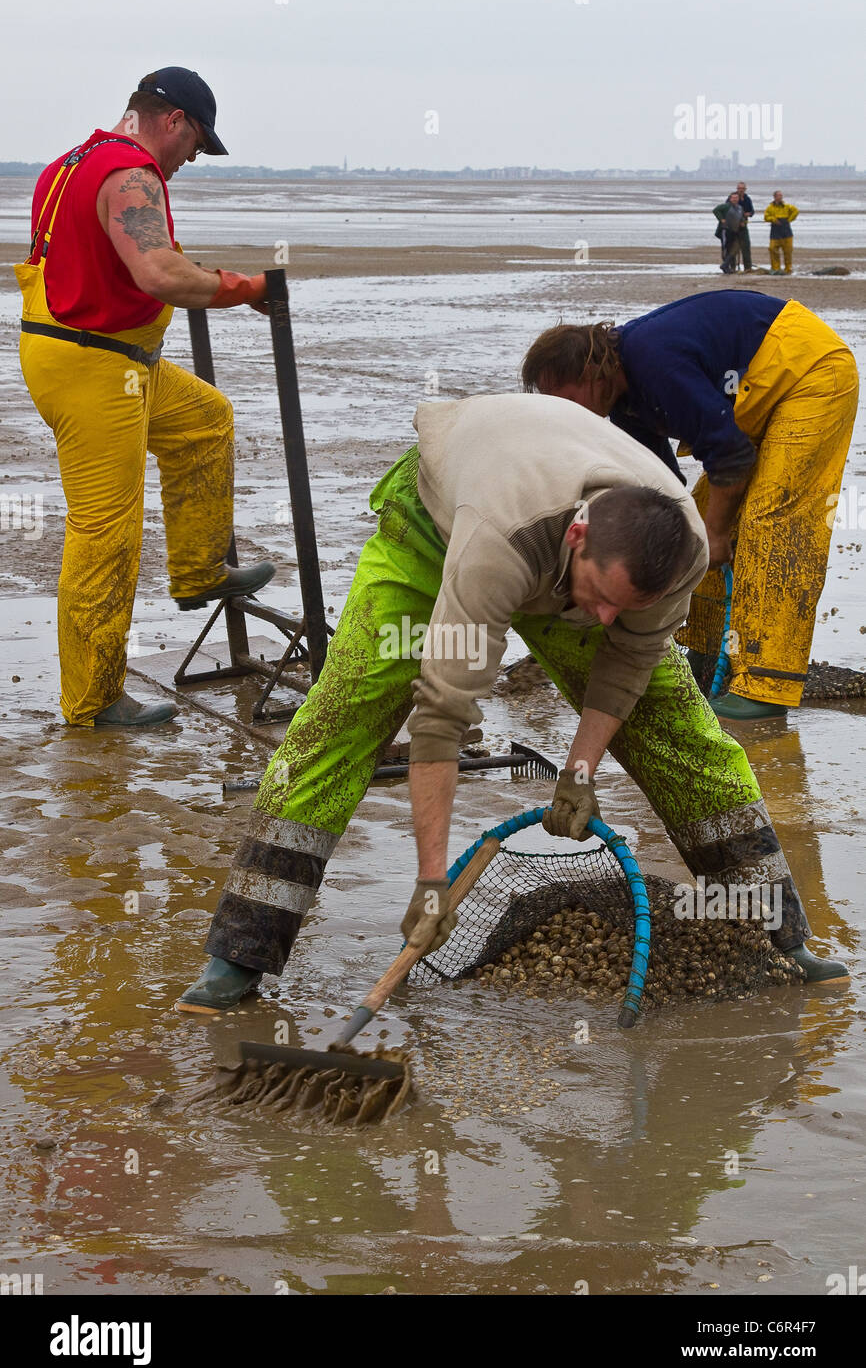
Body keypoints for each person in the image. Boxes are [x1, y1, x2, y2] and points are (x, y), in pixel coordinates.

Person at [174, 392, 845, 1015]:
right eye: (602, 597)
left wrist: (580, 769)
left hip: (560, 537)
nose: (608, 617)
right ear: (579, 540)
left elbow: (627, 663)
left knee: (680, 730)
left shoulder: (677, 556)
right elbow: (441, 715)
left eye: (624, 607)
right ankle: (241, 953)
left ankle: (777, 936)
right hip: (438, 535)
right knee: (342, 717)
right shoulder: (495, 546)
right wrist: (432, 882)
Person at [16, 67, 276, 729]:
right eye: (196, 144)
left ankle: (197, 574)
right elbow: (157, 271)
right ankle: (93, 701)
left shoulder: (70, 164)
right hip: (91, 365)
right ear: (174, 121)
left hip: (106, 356)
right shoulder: (133, 174)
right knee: (106, 534)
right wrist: (242, 290)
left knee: (205, 421)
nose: (191, 160)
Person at [521, 291, 858, 720]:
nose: (560, 413)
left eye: (562, 399)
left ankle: (767, 685)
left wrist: (717, 534)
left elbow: (730, 456)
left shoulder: (652, 361)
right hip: (757, 395)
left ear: (591, 372)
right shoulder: (624, 404)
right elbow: (664, 492)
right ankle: (703, 660)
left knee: (772, 523)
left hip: (811, 373)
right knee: (692, 527)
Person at [763, 190, 799, 274]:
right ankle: (776, 268)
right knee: (772, 248)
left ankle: (788, 269)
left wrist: (789, 220)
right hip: (775, 230)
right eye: (778, 195)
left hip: (786, 230)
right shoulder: (770, 207)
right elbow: (766, 217)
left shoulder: (787, 206)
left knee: (788, 251)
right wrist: (773, 219)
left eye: (781, 195)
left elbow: (796, 211)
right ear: (774, 197)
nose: (780, 197)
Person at [713, 191, 744, 274]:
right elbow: (715, 210)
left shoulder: (740, 208)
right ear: (730, 199)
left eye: (736, 198)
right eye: (733, 198)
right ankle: (726, 267)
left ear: (738, 199)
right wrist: (721, 219)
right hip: (725, 230)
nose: (735, 199)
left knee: (735, 248)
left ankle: (725, 264)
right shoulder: (725, 206)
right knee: (726, 248)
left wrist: (742, 222)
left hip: (735, 231)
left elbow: (741, 217)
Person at [736, 181, 755, 271]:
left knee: (746, 246)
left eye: (742, 189)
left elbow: (752, 211)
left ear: (745, 189)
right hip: (733, 226)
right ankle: (732, 267)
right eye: (739, 188)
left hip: (744, 225)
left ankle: (748, 267)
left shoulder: (747, 199)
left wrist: (749, 214)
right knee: (733, 248)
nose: (741, 190)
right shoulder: (732, 197)